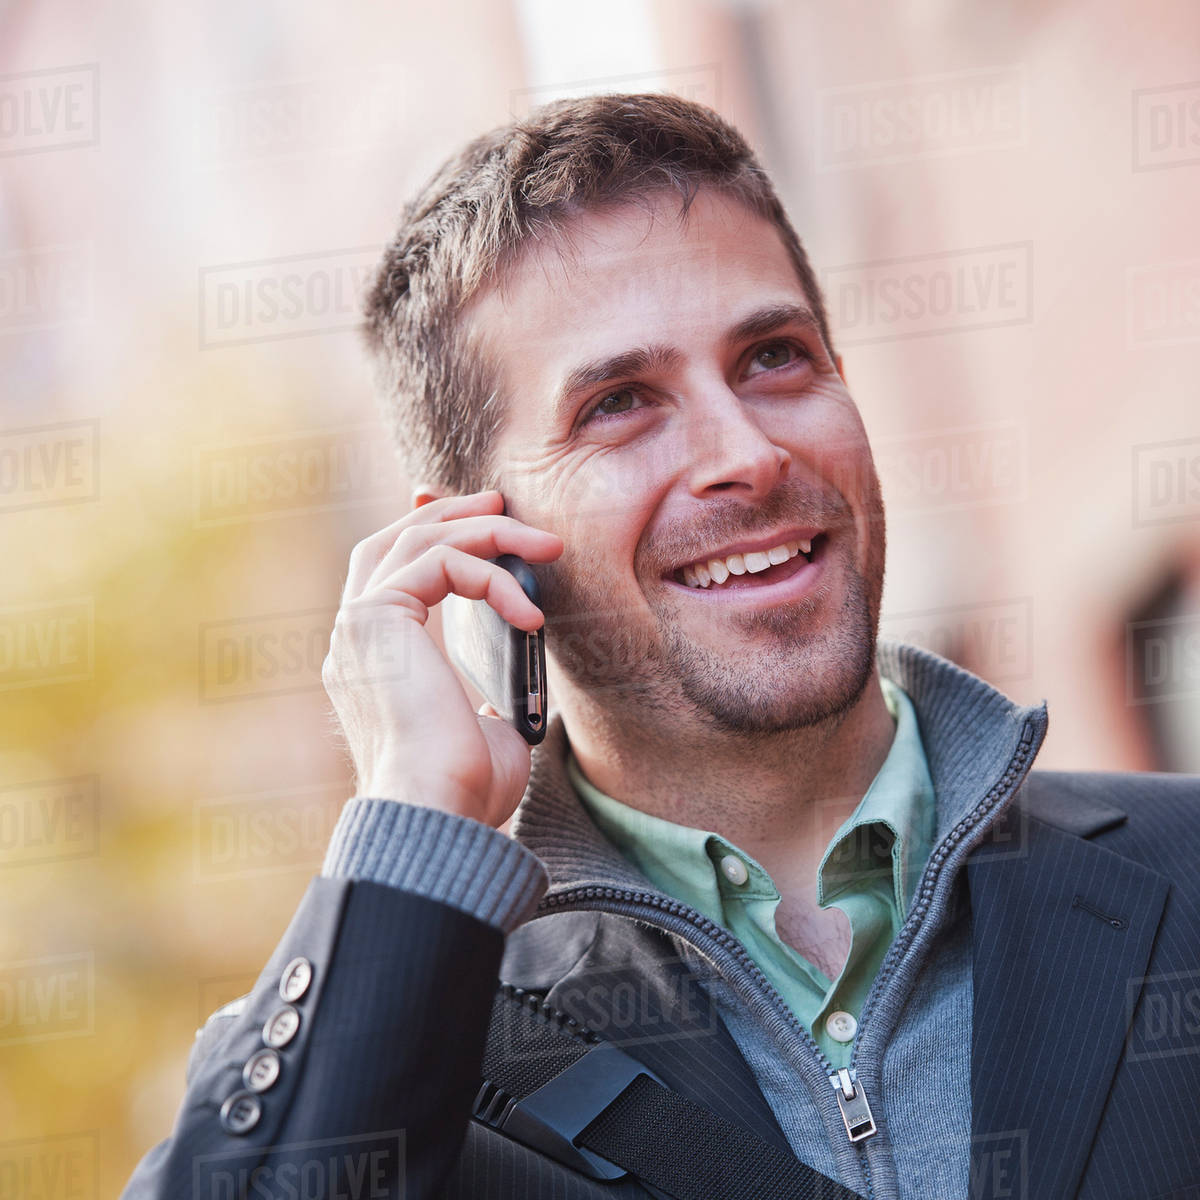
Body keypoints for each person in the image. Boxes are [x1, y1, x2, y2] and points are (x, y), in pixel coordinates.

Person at [122, 93, 1200, 1200]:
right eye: (621, 403)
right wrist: (409, 819)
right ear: (478, 539)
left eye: (775, 357)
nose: (748, 452)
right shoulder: (387, 1050)